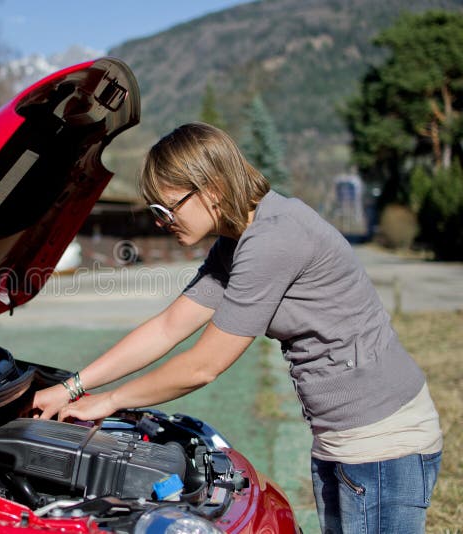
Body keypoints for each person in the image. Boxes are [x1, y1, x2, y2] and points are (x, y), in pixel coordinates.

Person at [32, 122, 443, 533]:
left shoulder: (273, 239)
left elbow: (203, 365)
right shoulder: (237, 242)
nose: (160, 222)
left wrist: (108, 402)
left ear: (210, 188)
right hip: (343, 437)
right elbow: (169, 326)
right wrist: (73, 387)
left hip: (382, 442)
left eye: (165, 208)